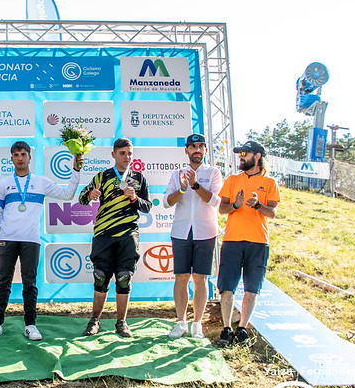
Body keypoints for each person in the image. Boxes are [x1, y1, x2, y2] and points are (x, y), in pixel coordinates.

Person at [0, 141, 84, 341]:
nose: (20, 157)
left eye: (23, 154)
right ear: (11, 158)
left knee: (30, 284)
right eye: (16, 154)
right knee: (3, 282)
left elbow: (67, 194)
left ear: (29, 157)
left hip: (31, 240)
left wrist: (75, 170)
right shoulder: (4, 184)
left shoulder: (40, 181)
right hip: (7, 239)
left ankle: (30, 324)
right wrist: (8, 229)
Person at [78, 137, 152, 337]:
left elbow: (147, 206)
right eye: (122, 153)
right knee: (100, 277)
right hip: (104, 233)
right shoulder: (102, 176)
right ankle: (95, 321)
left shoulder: (139, 178)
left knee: (124, 277)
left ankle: (122, 322)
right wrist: (91, 194)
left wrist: (134, 198)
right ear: (113, 155)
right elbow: (82, 198)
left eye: (129, 153)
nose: (127, 157)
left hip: (128, 234)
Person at [215, 140, 280, 346]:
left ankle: (242, 328)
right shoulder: (233, 179)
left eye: (244, 154)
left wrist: (258, 205)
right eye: (240, 154)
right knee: (227, 287)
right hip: (232, 240)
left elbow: (272, 213)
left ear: (257, 156)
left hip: (258, 242)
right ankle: (226, 328)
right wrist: (236, 204)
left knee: (252, 289)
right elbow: (222, 209)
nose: (241, 157)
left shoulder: (270, 182)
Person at [163, 133, 223, 339]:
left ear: (205, 150)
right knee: (181, 277)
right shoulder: (177, 173)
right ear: (186, 150)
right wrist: (182, 188)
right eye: (193, 147)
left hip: (205, 231)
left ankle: (197, 323)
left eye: (200, 147)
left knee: (200, 278)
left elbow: (215, 201)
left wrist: (196, 185)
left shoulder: (214, 172)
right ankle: (181, 322)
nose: (197, 150)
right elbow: (166, 202)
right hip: (181, 231)